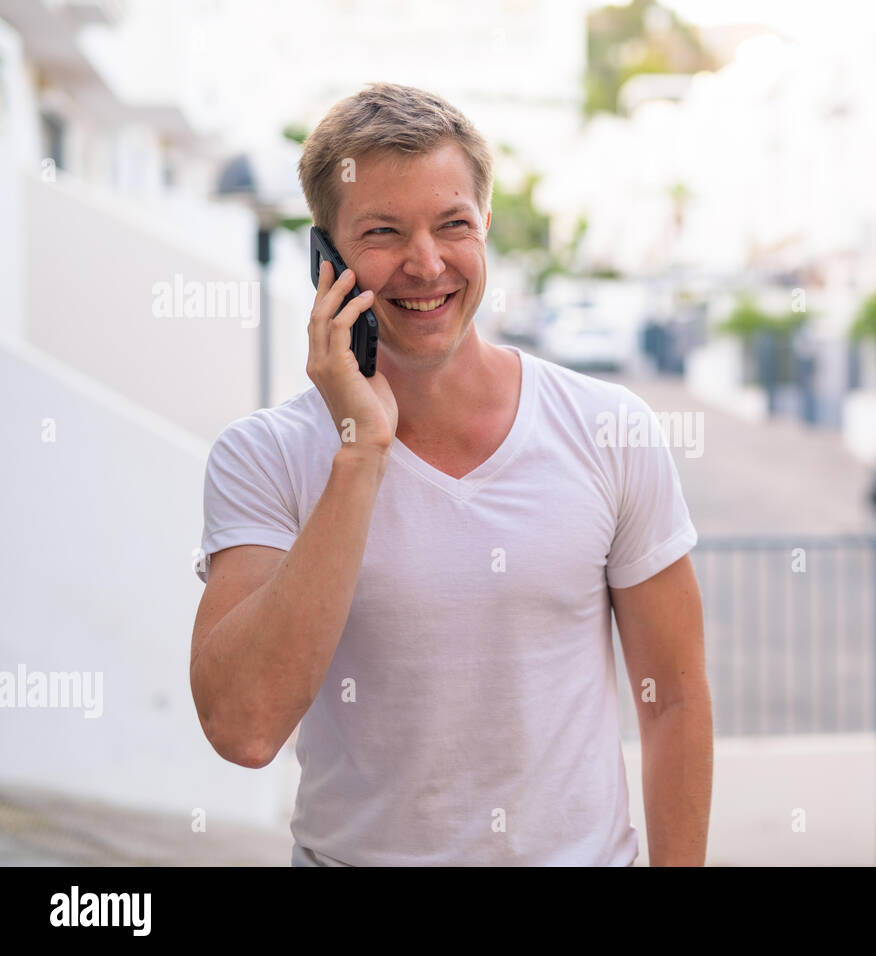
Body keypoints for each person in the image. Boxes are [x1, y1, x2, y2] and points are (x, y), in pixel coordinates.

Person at [188, 83, 712, 866]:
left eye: (453, 224)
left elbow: (671, 700)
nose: (426, 263)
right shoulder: (261, 456)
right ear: (324, 256)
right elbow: (245, 727)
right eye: (383, 232)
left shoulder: (610, 428)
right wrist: (360, 454)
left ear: (486, 226)